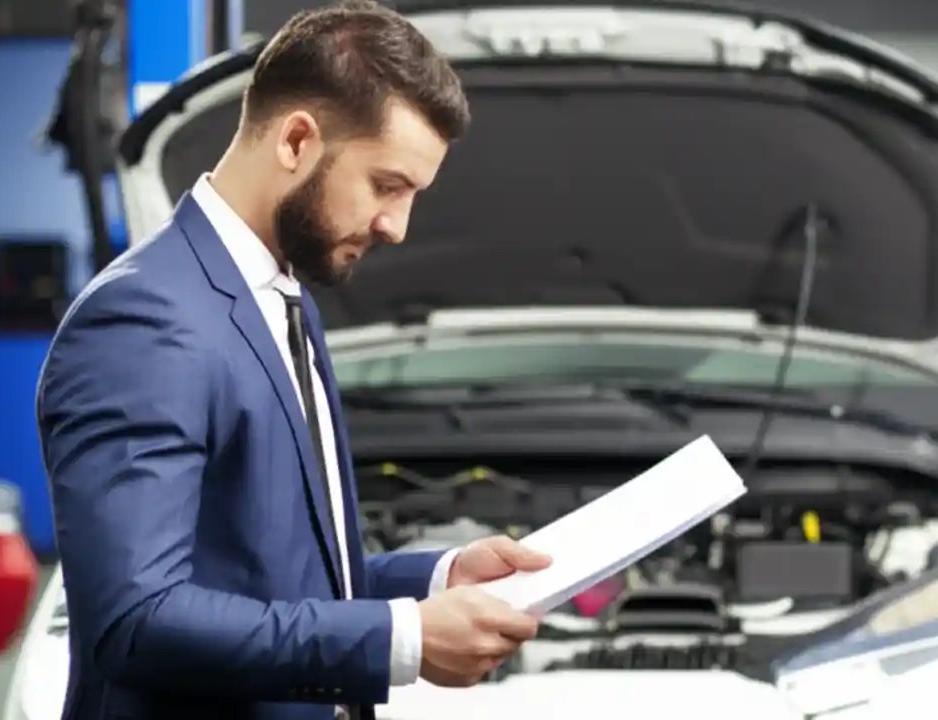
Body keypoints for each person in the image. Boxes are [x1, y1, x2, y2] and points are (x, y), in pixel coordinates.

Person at [35, 3, 552, 719]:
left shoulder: (283, 298)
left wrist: (437, 577)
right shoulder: (144, 321)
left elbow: (285, 577)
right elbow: (136, 619)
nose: (396, 228)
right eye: (387, 185)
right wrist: (400, 638)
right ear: (297, 141)